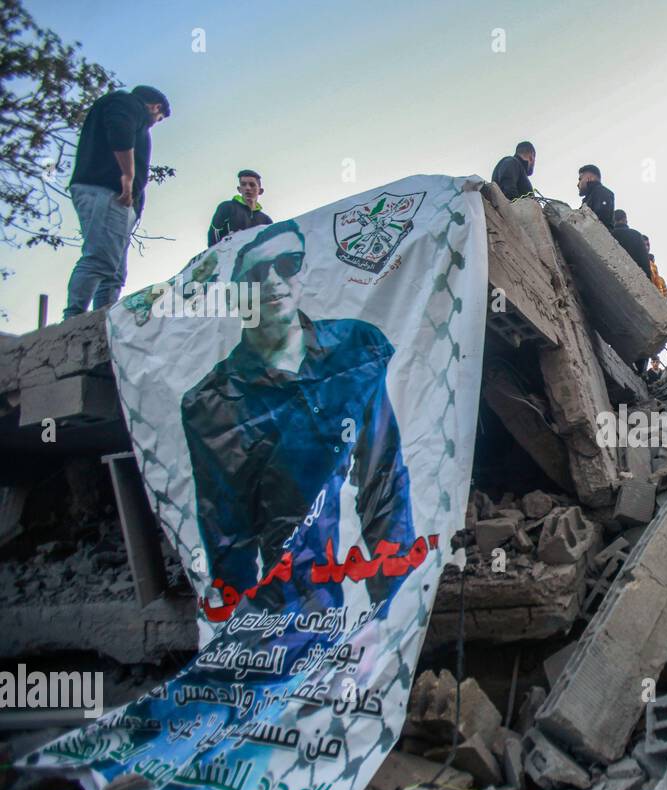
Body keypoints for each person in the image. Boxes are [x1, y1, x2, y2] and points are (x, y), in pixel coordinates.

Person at [181, 220, 414, 612]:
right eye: (256, 273)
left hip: (367, 594)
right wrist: (243, 631)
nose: (274, 280)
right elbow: (228, 537)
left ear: (303, 272)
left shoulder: (355, 347)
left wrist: (395, 608)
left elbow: (383, 481)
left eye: (288, 264)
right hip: (289, 612)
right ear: (236, 293)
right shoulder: (211, 404)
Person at [62, 85, 171, 320]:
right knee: (100, 258)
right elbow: (120, 130)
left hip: (120, 203)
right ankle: (73, 317)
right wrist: (128, 175)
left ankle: (104, 319)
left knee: (115, 272)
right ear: (155, 107)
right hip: (106, 191)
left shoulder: (128, 109)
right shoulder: (127, 104)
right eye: (158, 119)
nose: (154, 123)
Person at [208, 169, 272, 247]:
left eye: (252, 184)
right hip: (228, 257)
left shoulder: (266, 220)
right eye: (243, 184)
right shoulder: (227, 207)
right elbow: (213, 235)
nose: (247, 188)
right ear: (239, 189)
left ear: (260, 191)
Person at [577, 164, 615, 230]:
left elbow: (600, 219)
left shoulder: (601, 192)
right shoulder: (590, 197)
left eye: (580, 179)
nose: (577, 184)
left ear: (590, 177)